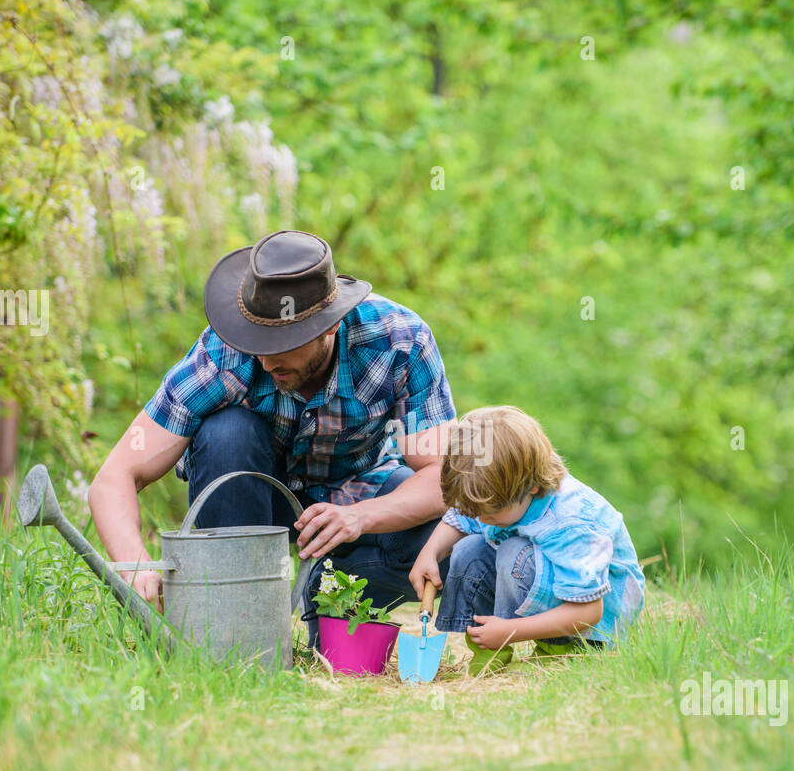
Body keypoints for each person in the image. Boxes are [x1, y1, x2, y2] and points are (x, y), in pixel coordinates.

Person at [88, 229, 456, 648]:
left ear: (330, 326)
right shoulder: (225, 354)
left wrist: (363, 516)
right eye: (256, 340)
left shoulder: (400, 341)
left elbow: (443, 477)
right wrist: (135, 567)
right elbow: (114, 477)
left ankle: (334, 601)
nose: (265, 358)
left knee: (446, 533)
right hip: (253, 508)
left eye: (283, 343)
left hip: (360, 501)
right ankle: (242, 629)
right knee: (226, 433)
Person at [409, 405, 646, 674]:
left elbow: (588, 611)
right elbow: (461, 518)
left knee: (513, 552)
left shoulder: (570, 522)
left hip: (590, 624)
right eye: (476, 511)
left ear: (531, 486)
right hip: (547, 585)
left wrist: (510, 630)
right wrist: (430, 553)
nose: (481, 520)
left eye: (491, 512)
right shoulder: (502, 495)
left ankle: (559, 651)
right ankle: (490, 652)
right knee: (466, 549)